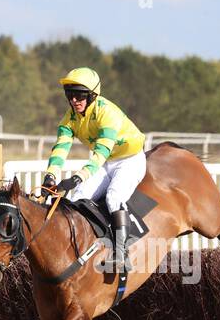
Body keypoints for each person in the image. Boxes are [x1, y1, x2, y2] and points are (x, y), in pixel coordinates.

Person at [41, 68, 147, 273]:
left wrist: (77, 177)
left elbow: (100, 154)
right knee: (78, 196)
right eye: (70, 95)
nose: (74, 100)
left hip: (130, 160)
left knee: (114, 197)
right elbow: (61, 148)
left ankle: (121, 254)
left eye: (80, 94)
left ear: (92, 95)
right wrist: (50, 176)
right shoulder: (70, 118)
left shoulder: (108, 113)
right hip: (107, 163)